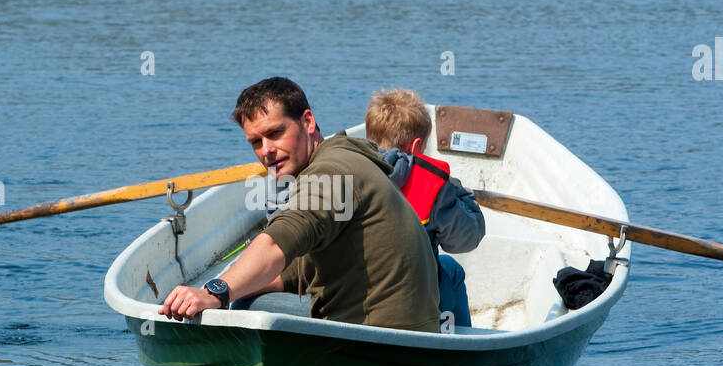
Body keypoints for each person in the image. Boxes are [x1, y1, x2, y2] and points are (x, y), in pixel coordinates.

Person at [159, 77, 440, 332]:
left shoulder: (330, 171)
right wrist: (239, 284)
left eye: (275, 133)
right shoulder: (346, 159)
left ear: (307, 122)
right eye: (256, 141)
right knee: (248, 293)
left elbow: (277, 242)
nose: (266, 150)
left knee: (248, 309)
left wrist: (216, 292)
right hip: (411, 334)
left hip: (377, 341)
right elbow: (304, 267)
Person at [364, 88, 485, 329]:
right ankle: (458, 347)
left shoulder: (350, 169)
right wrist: (457, 192)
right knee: (452, 269)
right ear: (417, 146)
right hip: (413, 303)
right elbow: (467, 239)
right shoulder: (433, 186)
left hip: (359, 294)